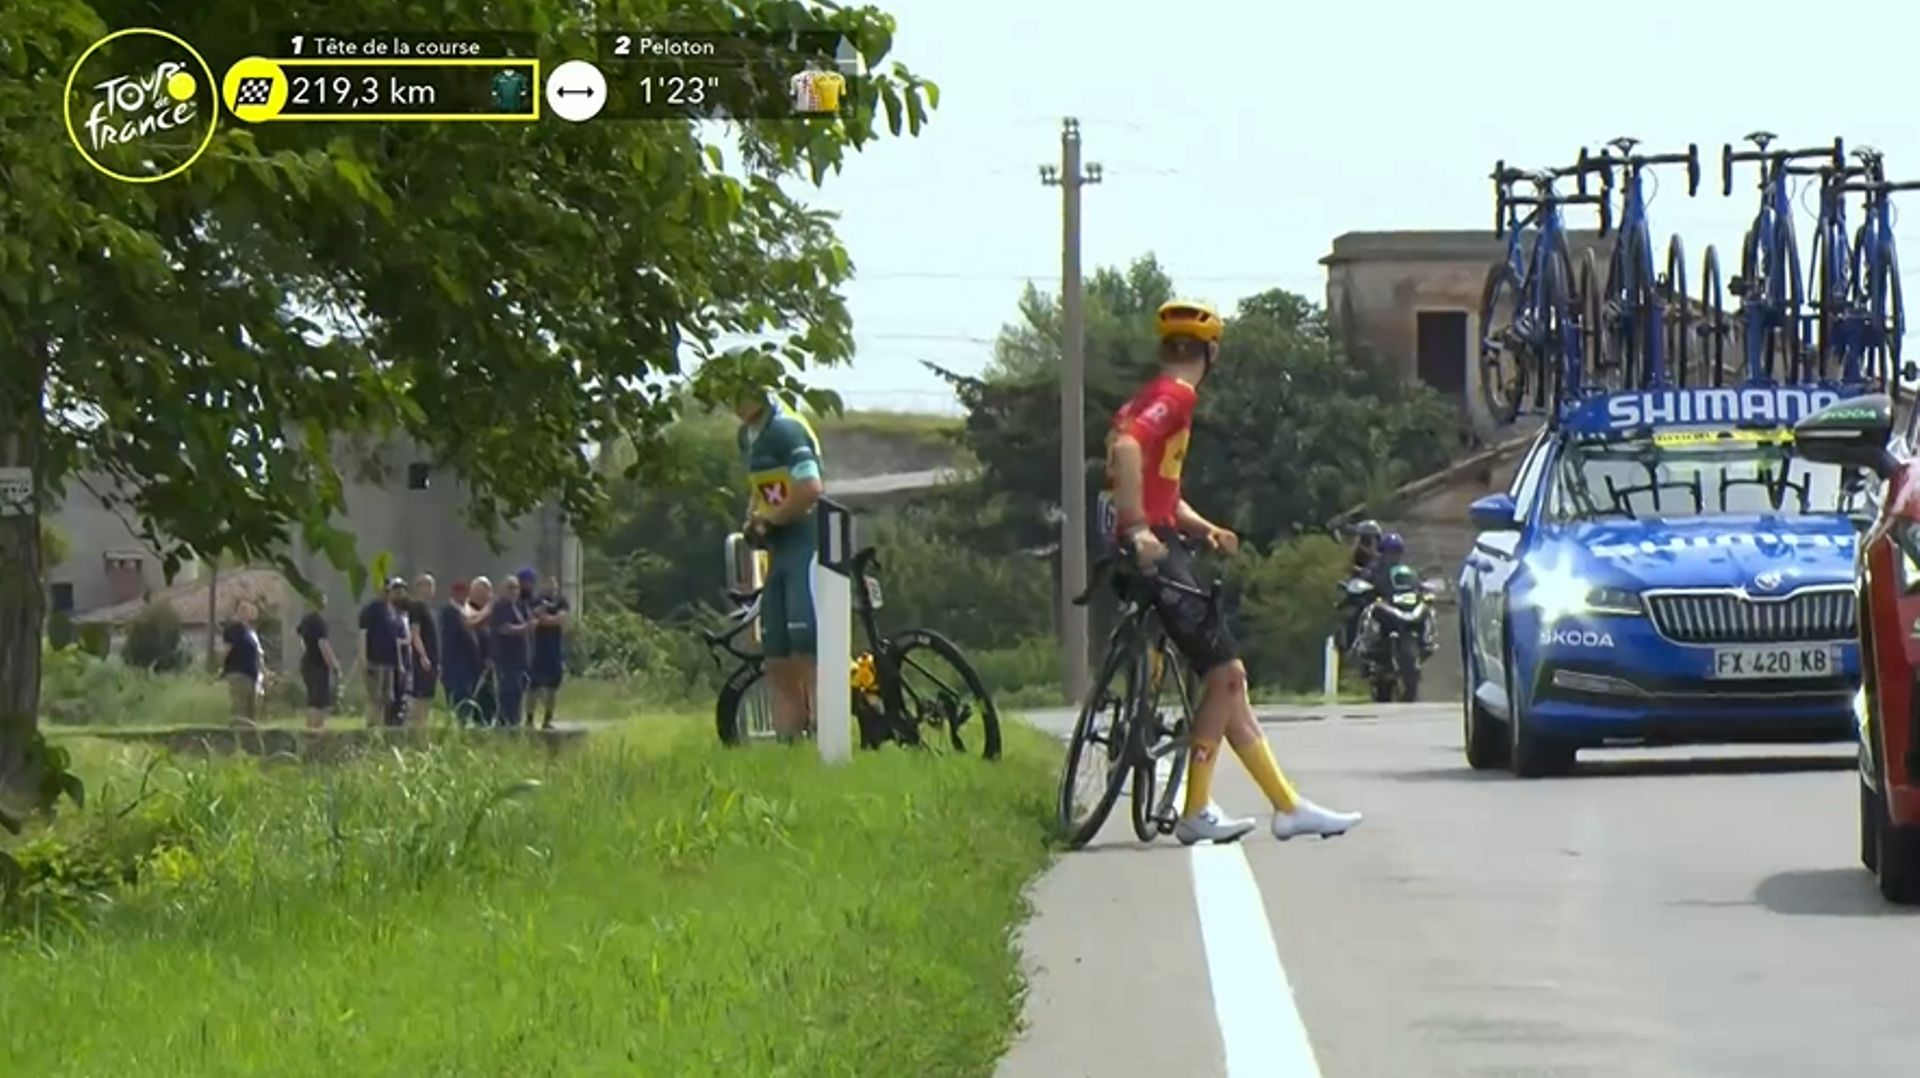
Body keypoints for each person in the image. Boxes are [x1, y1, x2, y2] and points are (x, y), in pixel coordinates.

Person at [1105, 299, 1362, 845]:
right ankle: (1197, 810)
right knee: (1225, 676)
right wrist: (1136, 528)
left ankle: (1288, 806)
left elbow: (1161, 490)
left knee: (1231, 687)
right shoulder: (1175, 398)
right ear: (1212, 351)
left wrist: (1204, 529)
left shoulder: (1150, 395)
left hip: (1158, 541)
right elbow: (1128, 452)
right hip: (1154, 551)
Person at [735, 387, 825, 742]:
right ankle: (789, 749)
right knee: (776, 656)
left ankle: (825, 740)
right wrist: (752, 519)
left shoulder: (787, 428)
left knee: (808, 650)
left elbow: (810, 487)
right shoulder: (746, 436)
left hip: (807, 544)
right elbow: (760, 489)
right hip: (777, 551)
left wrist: (771, 519)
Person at [358, 579, 406, 728]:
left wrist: (400, 663)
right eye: (385, 590)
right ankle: (372, 725)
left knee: (387, 698)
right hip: (374, 659)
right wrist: (363, 658)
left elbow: (395, 640)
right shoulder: (370, 610)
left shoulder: (392, 612)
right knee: (375, 697)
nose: (387, 594)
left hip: (389, 662)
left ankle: (382, 726)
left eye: (389, 591)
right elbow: (363, 635)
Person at [488, 574, 533, 727]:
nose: (514, 591)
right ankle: (504, 722)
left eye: (516, 588)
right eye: (510, 587)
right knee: (507, 690)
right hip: (505, 657)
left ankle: (515, 721)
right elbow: (504, 629)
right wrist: (524, 628)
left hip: (520, 657)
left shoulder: (521, 606)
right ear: (502, 590)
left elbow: (529, 622)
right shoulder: (500, 607)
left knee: (519, 690)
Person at [528, 575, 570, 730]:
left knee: (553, 687)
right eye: (548, 584)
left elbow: (561, 620)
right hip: (538, 649)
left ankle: (547, 719)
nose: (552, 588)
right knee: (534, 686)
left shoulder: (561, 602)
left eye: (554, 585)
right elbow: (533, 618)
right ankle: (529, 719)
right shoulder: (535, 601)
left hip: (555, 650)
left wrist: (544, 618)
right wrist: (543, 617)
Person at [439, 579, 481, 724]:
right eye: (459, 592)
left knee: (467, 698)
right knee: (460, 698)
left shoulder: (467, 610)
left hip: (469, 665)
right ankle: (459, 724)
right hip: (456, 664)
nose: (463, 595)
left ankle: (463, 722)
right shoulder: (450, 611)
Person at [220, 599, 266, 728]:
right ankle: (236, 738)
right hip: (238, 673)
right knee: (239, 709)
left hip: (251, 675)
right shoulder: (234, 629)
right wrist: (219, 667)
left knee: (250, 712)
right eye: (246, 610)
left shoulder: (249, 632)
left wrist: (265, 672)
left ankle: (249, 741)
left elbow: (256, 654)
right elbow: (226, 650)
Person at [295, 594, 338, 730]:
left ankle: (310, 728)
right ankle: (317, 729)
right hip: (318, 664)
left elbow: (298, 637)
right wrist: (333, 663)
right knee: (319, 701)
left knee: (312, 698)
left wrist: (306, 650)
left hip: (307, 662)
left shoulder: (306, 620)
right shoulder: (319, 622)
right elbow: (323, 644)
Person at [465, 576, 500, 725]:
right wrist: (489, 608)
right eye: (479, 591)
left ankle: (487, 722)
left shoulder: (493, 612)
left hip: (490, 661)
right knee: (473, 695)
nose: (483, 595)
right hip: (471, 662)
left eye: (486, 592)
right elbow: (471, 621)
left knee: (489, 697)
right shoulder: (467, 608)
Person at [407, 574, 439, 726]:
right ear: (418, 588)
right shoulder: (417, 608)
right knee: (419, 697)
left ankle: (423, 728)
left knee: (428, 698)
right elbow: (415, 633)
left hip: (433, 658)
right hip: (422, 659)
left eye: (431, 586)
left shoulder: (429, 609)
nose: (429, 590)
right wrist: (422, 655)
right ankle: (417, 728)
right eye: (426, 586)